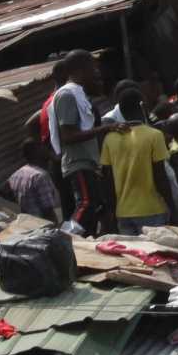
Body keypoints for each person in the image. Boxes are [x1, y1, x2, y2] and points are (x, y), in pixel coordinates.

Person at [98, 86, 178, 234]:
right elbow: (160, 176)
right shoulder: (154, 135)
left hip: (123, 213)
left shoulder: (110, 138)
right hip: (152, 211)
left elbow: (107, 180)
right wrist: (172, 206)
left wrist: (112, 212)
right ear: (141, 106)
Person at [45, 51, 108, 232]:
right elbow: (68, 135)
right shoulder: (67, 95)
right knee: (86, 204)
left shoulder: (79, 94)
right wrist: (104, 129)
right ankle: (66, 237)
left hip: (88, 161)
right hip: (78, 161)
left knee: (94, 208)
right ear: (80, 69)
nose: (96, 72)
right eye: (92, 68)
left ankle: (82, 241)